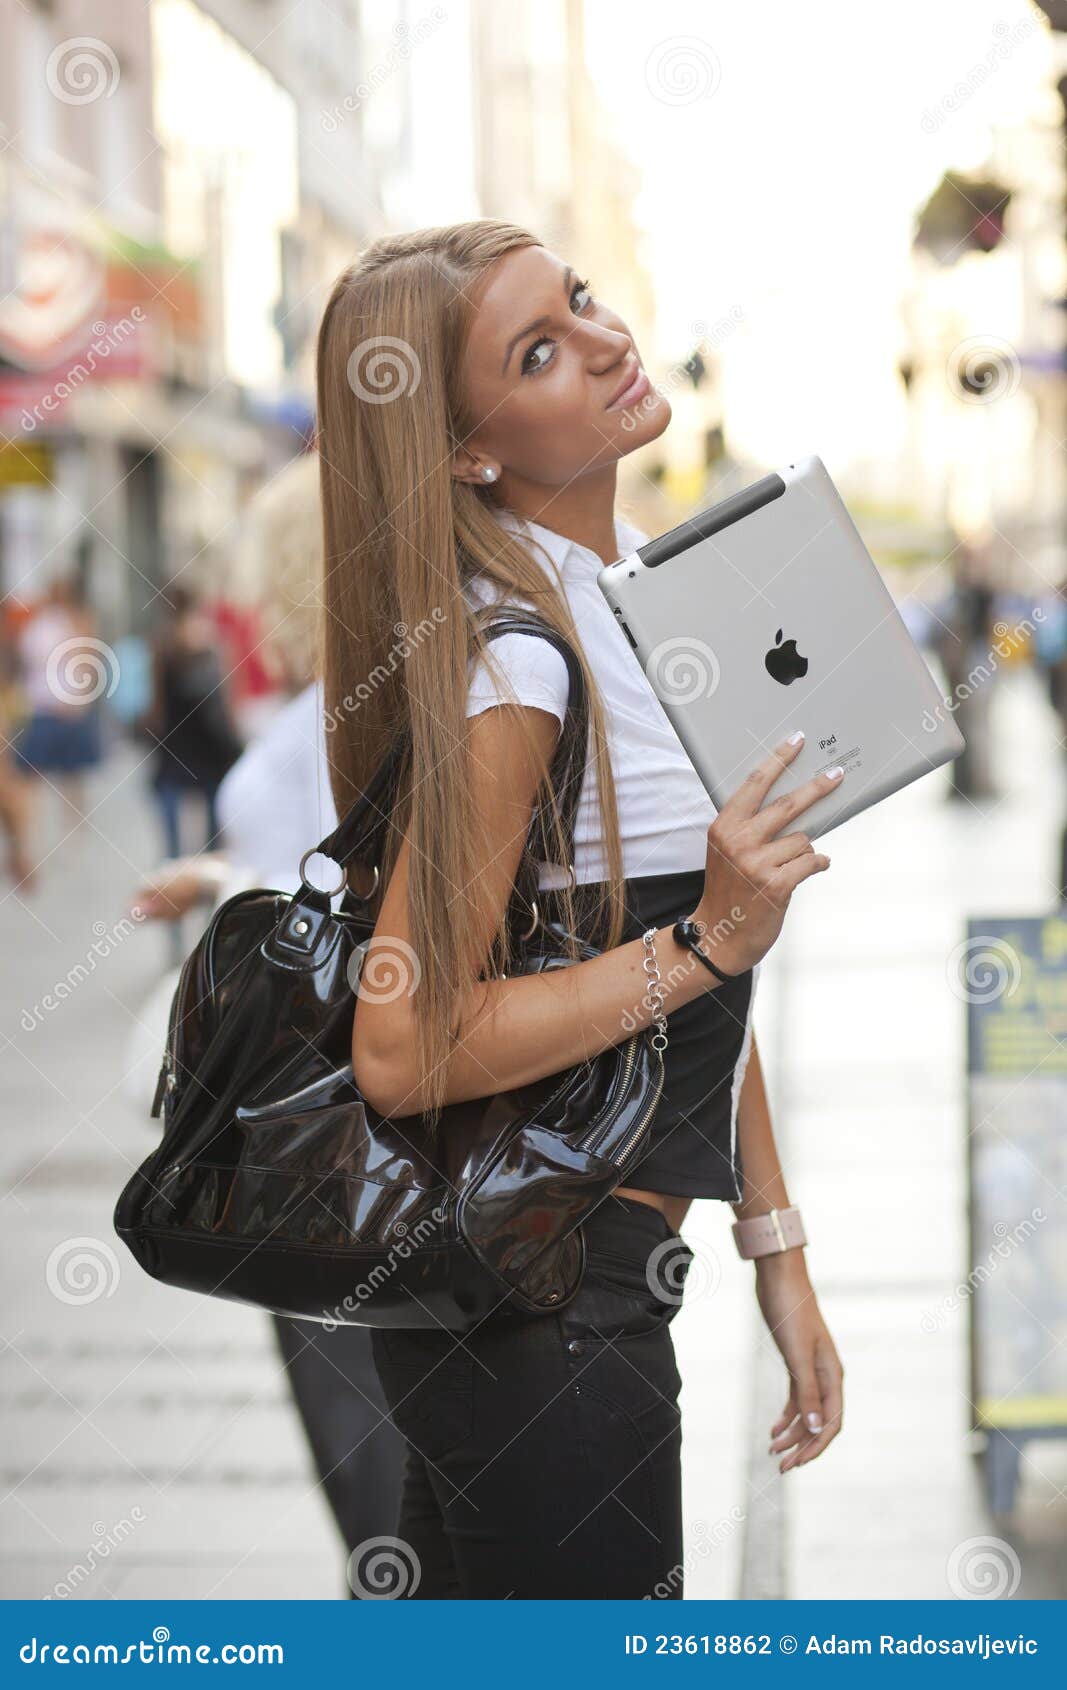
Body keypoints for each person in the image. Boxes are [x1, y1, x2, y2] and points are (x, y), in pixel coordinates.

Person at [315, 220, 845, 1600]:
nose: (608, 342)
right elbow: (405, 1043)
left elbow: (685, 971)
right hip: (542, 1309)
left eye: (583, 301)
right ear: (463, 453)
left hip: (554, 1288)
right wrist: (705, 937)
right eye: (538, 352)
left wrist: (773, 1243)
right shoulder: (521, 663)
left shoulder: (632, 601)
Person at [129, 455, 404, 1597]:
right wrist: (221, 880)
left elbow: (327, 907)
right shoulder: (388, 701)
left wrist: (223, 884)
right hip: (370, 1109)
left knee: (353, 1404)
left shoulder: (326, 725)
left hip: (306, 1121)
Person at [10, 574, 105, 873]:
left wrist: (80, 700)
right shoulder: (39, 625)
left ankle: (72, 838)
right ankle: (36, 839)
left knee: (71, 778)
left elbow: (87, 661)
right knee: (34, 777)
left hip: (65, 710)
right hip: (43, 708)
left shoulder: (74, 622)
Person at [142, 583, 244, 859]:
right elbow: (225, 698)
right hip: (208, 742)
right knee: (213, 810)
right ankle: (211, 861)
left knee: (169, 800)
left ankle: (172, 860)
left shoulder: (160, 645)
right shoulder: (211, 642)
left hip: (174, 742)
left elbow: (155, 704)